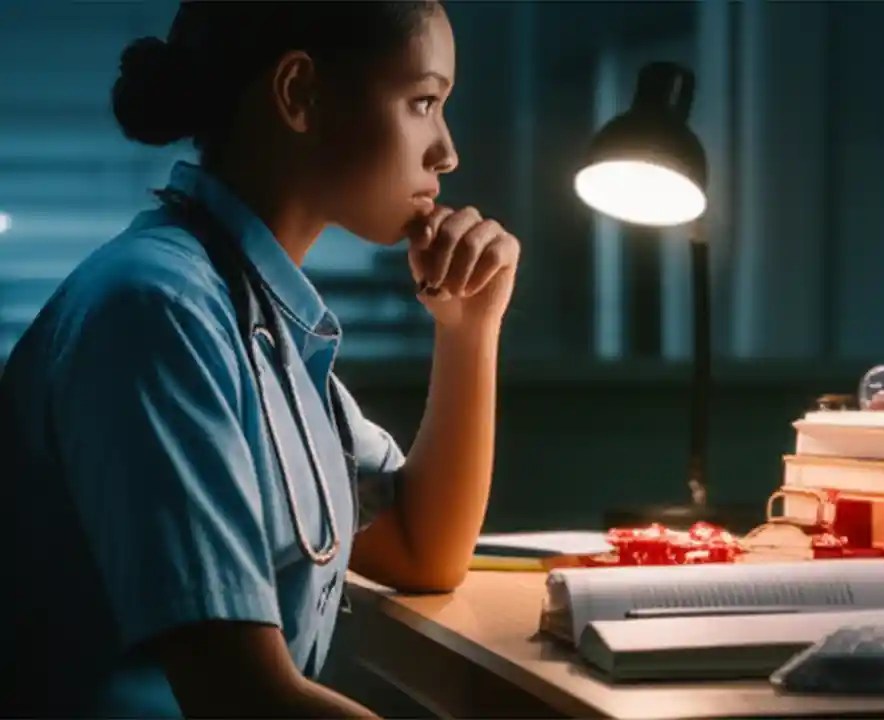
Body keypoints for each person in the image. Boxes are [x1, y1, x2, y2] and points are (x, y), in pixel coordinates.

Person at [0, 1, 518, 716]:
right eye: (422, 101)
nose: (446, 151)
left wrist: (468, 328)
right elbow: (242, 699)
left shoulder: (258, 312)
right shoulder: (159, 312)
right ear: (299, 94)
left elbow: (423, 548)